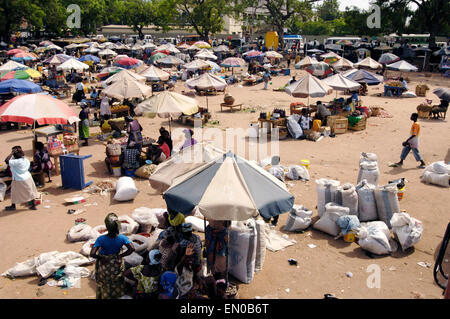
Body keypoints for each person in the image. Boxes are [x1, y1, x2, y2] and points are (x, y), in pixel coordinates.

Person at [89, 213, 135, 299]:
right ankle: (118, 295)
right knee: (117, 281)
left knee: (105, 282)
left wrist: (101, 257)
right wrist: (121, 255)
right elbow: (132, 248)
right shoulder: (122, 238)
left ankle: (105, 296)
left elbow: (92, 254)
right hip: (116, 263)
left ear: (107, 226)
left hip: (104, 265)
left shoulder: (101, 239)